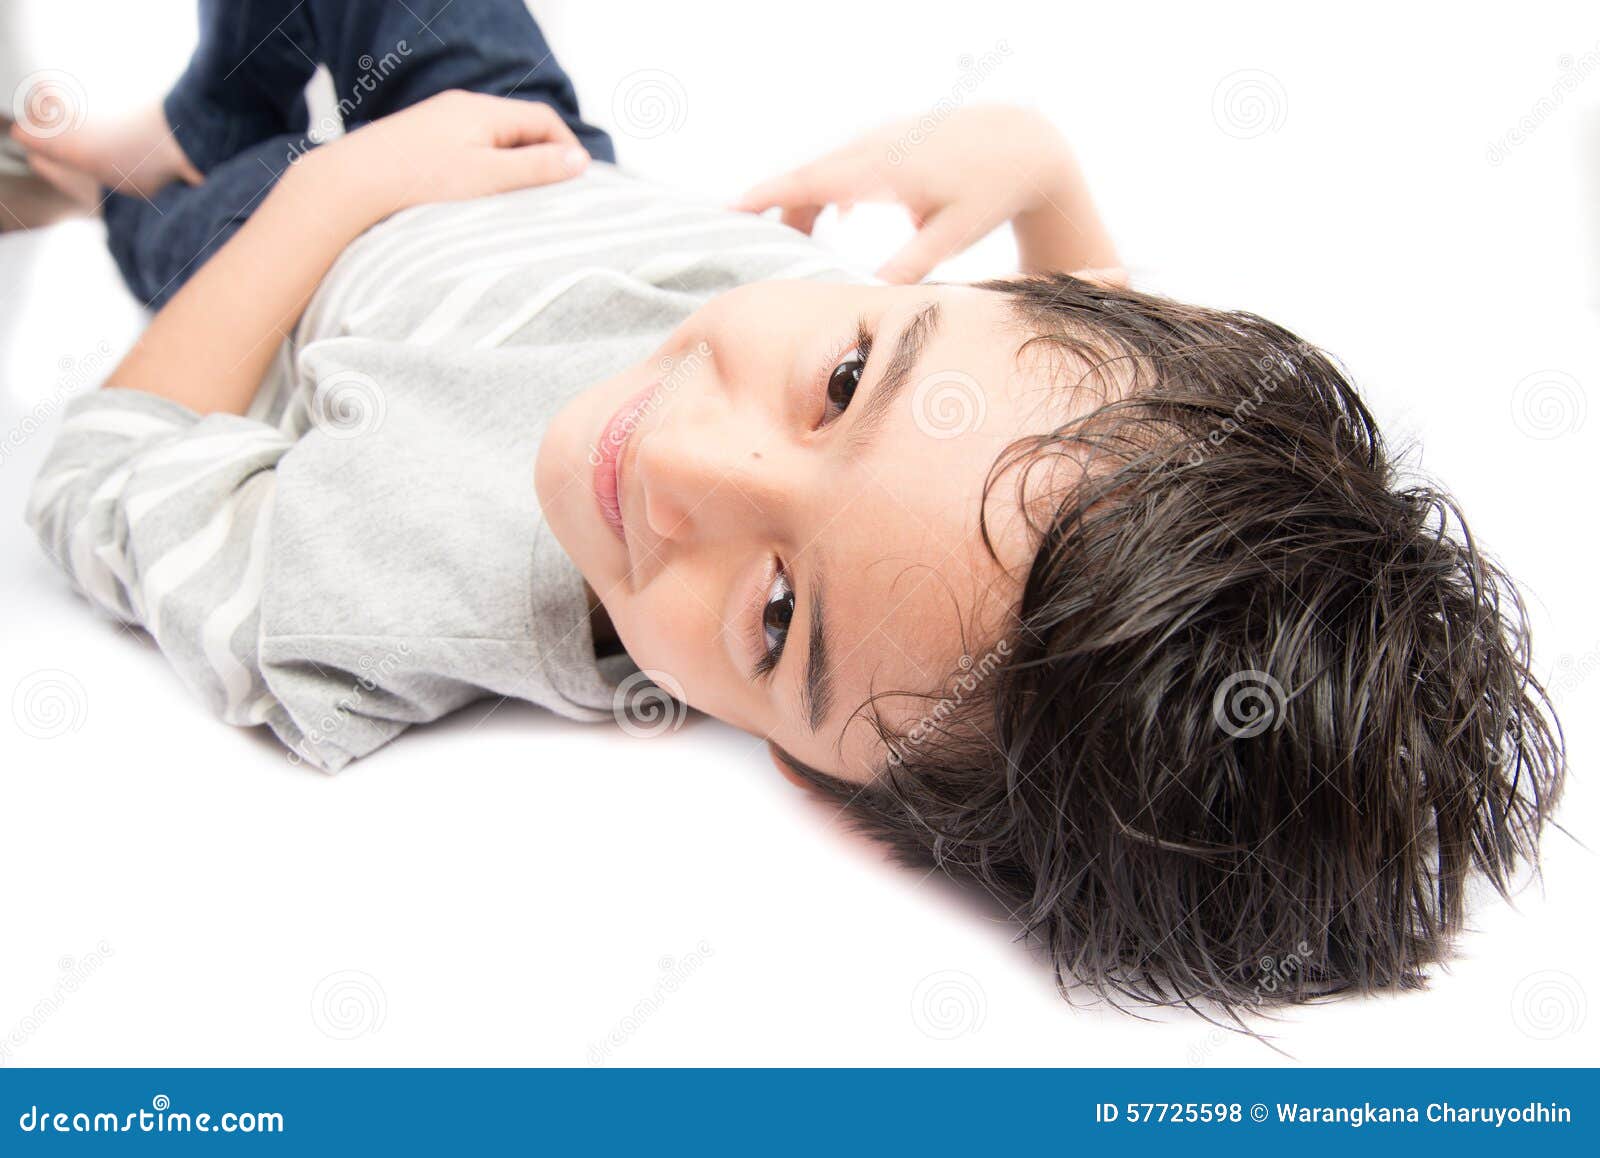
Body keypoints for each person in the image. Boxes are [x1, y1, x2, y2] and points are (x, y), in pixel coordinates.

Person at [13, 0, 1564, 1013]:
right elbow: (1102, 353)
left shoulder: (386, 601)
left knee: (208, 190)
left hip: (299, 267)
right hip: (536, 156)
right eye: (841, 379)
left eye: (776, 615)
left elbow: (106, 469)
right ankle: (201, 112)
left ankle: (130, 181)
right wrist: (1037, 163)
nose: (683, 461)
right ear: (964, 300)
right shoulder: (1026, 479)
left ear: (828, 789)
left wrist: (329, 198)